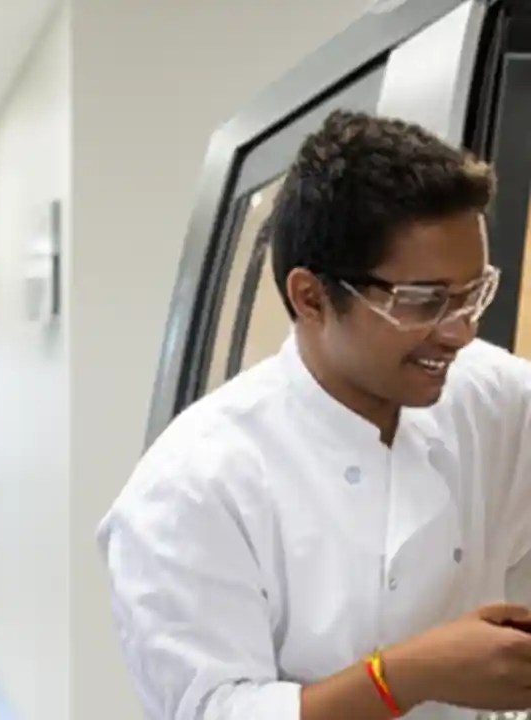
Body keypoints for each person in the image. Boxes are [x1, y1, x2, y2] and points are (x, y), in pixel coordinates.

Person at [98, 110, 531, 719]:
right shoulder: (195, 482)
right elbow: (215, 711)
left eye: (472, 294)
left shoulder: (488, 395)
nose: (459, 332)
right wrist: (408, 674)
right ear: (311, 297)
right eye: (425, 301)